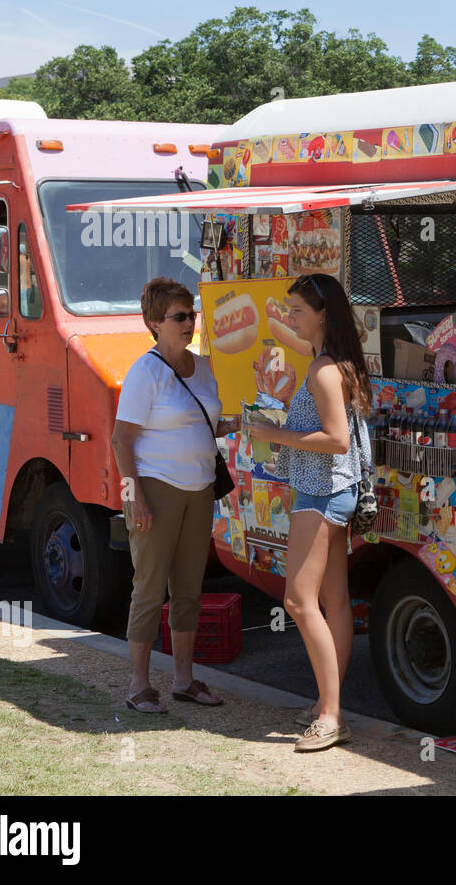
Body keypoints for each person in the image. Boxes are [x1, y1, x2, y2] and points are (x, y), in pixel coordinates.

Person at [245, 273, 372, 752]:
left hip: (320, 494)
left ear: (322, 313)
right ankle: (327, 704)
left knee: (298, 601)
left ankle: (331, 716)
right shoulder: (332, 362)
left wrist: (270, 433)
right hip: (335, 492)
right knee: (334, 600)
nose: (288, 316)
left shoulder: (322, 369)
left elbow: (337, 439)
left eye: (296, 309)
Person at [111, 277, 239, 713]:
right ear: (154, 323)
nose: (188, 323)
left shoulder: (202, 367)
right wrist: (134, 497)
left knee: (189, 589)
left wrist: (238, 424)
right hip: (156, 489)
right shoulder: (144, 372)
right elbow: (120, 440)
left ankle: (183, 680)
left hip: (199, 489)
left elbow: (203, 422)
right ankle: (139, 686)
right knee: (148, 589)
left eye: (192, 315)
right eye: (178, 316)